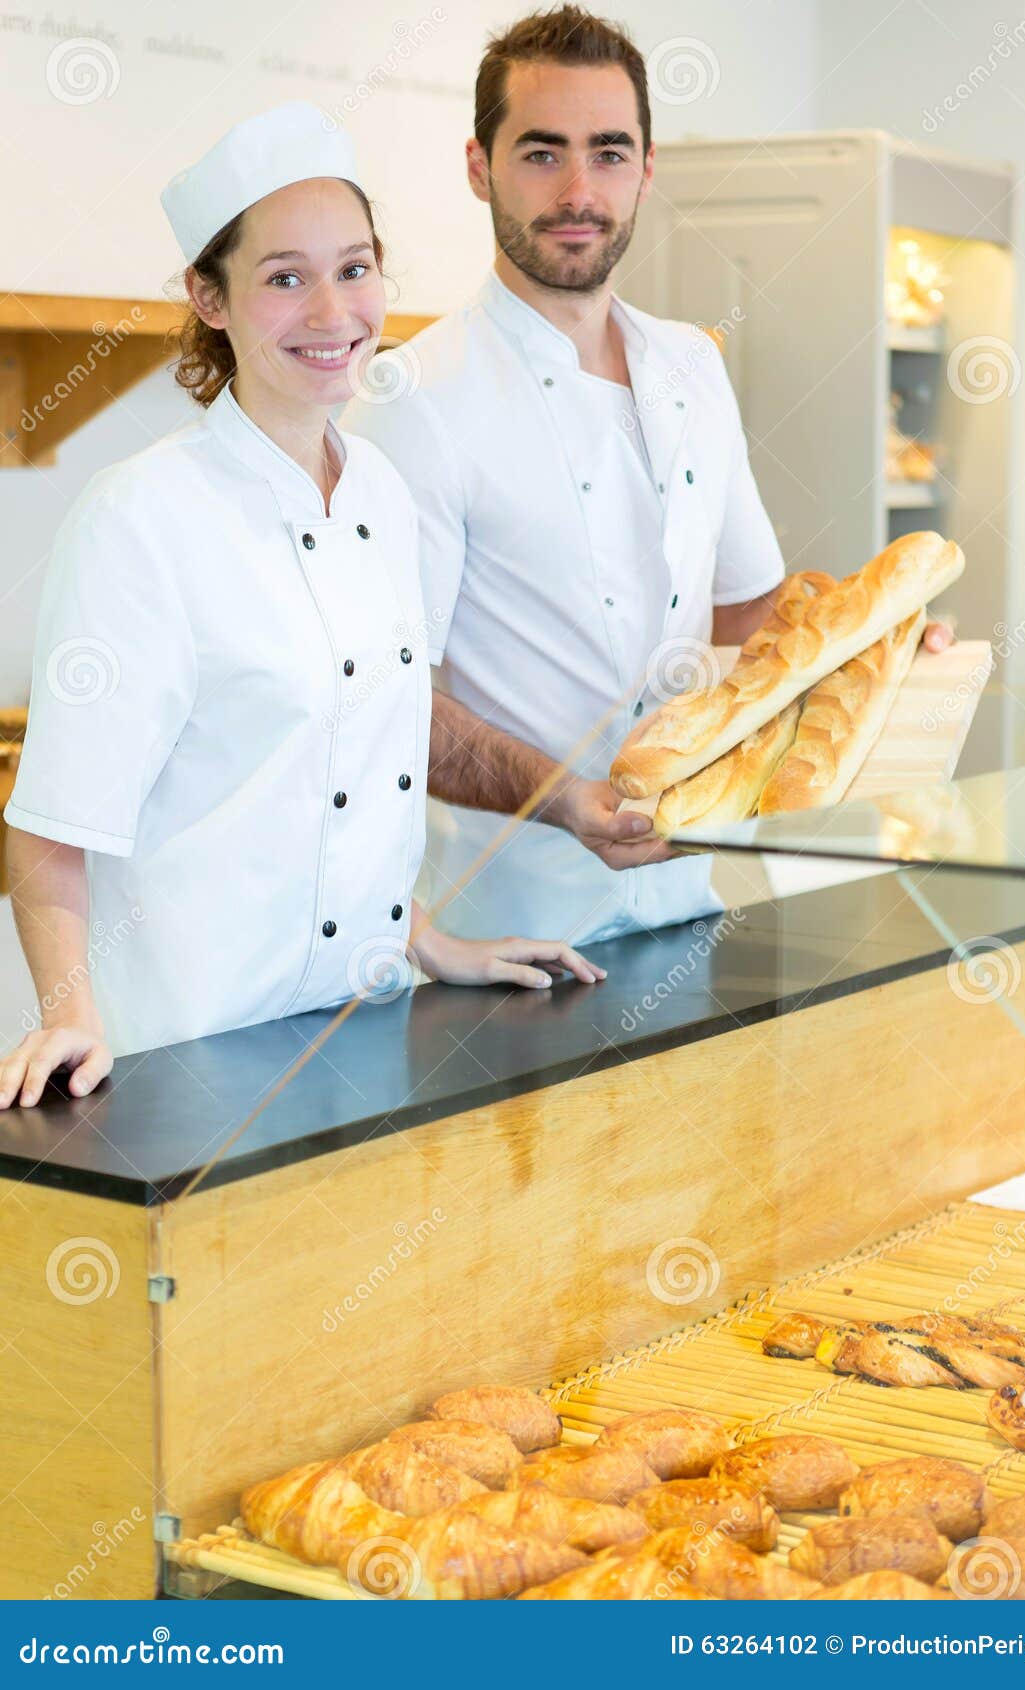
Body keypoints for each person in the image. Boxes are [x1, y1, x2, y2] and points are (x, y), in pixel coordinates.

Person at [0, 102, 603, 1111]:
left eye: (354, 268)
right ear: (210, 297)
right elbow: (53, 822)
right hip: (184, 1056)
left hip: (359, 1030)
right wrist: (69, 1015)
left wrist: (430, 942)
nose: (332, 314)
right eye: (285, 278)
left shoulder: (379, 492)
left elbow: (340, 780)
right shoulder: (142, 517)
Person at [346, 6, 955, 947]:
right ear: (479, 167)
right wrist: (563, 802)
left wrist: (880, 645)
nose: (579, 190)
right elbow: (388, 699)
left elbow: (752, 618)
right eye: (542, 153)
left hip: (687, 900)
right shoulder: (413, 396)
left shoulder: (690, 366)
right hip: (508, 932)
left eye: (610, 152)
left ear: (647, 167)